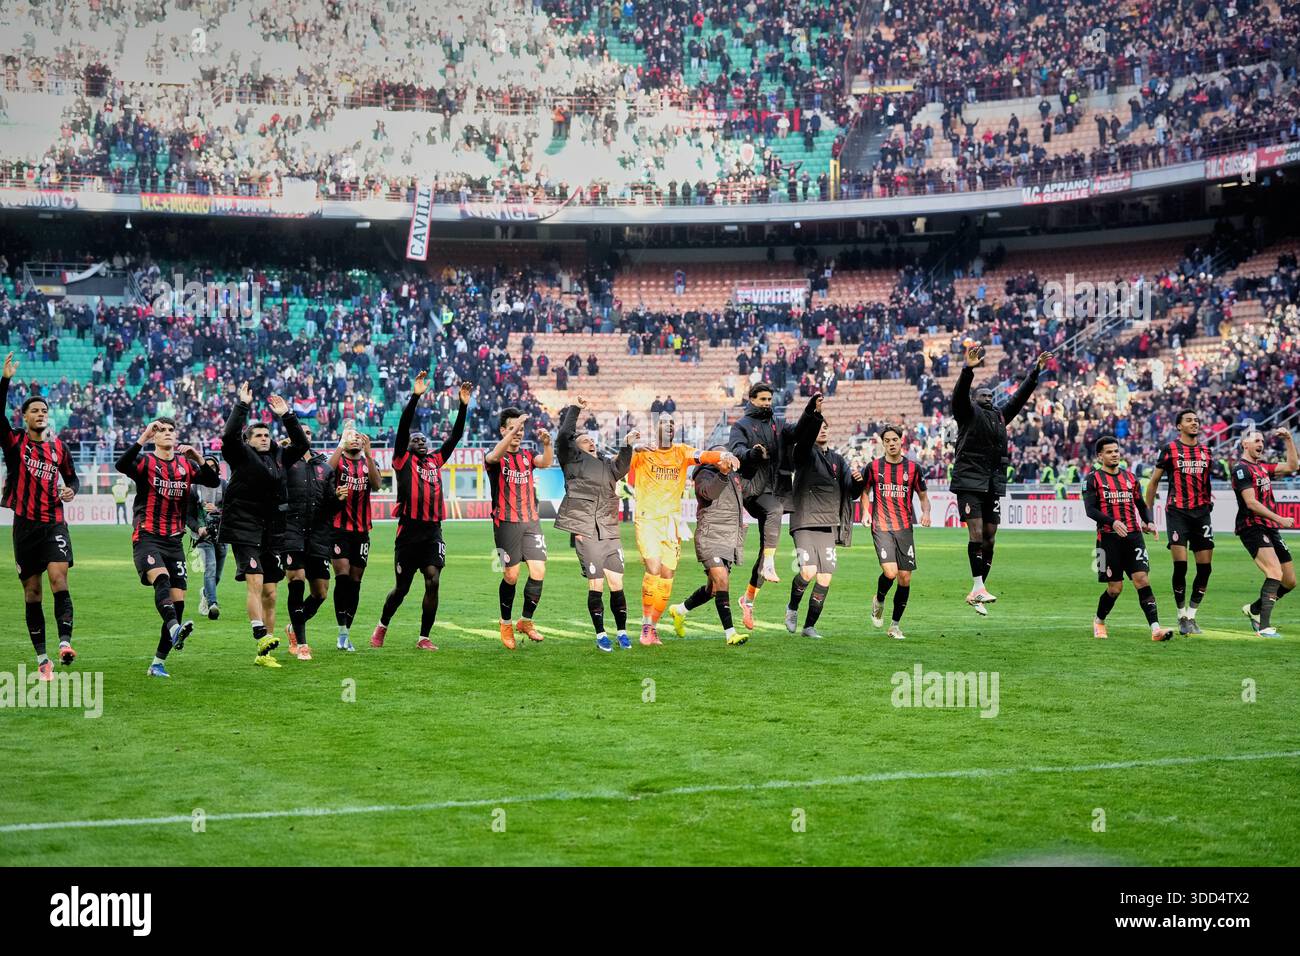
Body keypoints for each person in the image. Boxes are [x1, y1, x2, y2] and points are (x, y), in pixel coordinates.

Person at [370, 374, 471, 651]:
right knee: (401, 589)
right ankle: (382, 625)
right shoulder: (401, 460)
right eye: (416, 440)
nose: (422, 441)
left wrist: (462, 406)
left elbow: (455, 436)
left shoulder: (435, 461)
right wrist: (415, 396)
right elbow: (403, 427)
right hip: (408, 532)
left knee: (433, 580)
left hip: (432, 531)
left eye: (424, 439)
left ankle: (423, 636)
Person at [116, 418, 221, 678]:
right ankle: (175, 629)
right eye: (160, 430)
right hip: (147, 535)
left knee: (179, 602)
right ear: (154, 436)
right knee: (160, 578)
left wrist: (197, 455)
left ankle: (157, 663)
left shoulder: (185, 464)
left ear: (176, 436)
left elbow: (213, 480)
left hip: (174, 540)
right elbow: (122, 464)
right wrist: (143, 435)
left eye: (170, 430)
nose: (166, 434)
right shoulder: (146, 463)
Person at [950, 345, 1051, 615]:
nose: (988, 397)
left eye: (990, 394)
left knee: (991, 537)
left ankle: (978, 590)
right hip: (969, 480)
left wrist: (1034, 373)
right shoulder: (967, 413)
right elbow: (959, 396)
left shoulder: (999, 417)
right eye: (982, 394)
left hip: (993, 482)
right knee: (976, 532)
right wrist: (968, 370)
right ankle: (977, 586)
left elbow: (1018, 398)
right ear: (974, 398)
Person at [221, 381, 310, 668]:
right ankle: (259, 631)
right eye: (257, 435)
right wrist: (242, 405)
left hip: (273, 532)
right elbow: (228, 436)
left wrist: (287, 415)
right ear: (248, 440)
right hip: (245, 528)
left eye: (266, 434)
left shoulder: (280, 456)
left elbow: (302, 444)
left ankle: (265, 651)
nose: (263, 438)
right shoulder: (240, 455)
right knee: (255, 582)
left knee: (271, 593)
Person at [1, 353, 78, 680]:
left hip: (53, 523)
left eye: (45, 410)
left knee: (58, 579)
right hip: (25, 526)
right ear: (25, 417)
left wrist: (71, 489)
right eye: (35, 410)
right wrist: (4, 380)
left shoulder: (59, 448)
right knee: (32, 592)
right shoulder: (15, 442)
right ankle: (43, 659)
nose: (41, 414)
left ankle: (64, 644)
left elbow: (73, 478)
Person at [632, 413, 738, 645]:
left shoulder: (681, 452)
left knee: (668, 575)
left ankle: (654, 627)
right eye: (664, 423)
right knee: (653, 568)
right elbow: (620, 466)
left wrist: (724, 455)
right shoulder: (643, 452)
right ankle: (646, 623)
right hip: (648, 518)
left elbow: (704, 456)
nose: (669, 427)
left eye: (672, 424)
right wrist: (631, 446)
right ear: (655, 427)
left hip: (671, 523)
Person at [555, 397, 636, 651]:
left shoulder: (605, 464)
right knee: (596, 583)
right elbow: (563, 436)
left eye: (591, 438)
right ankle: (601, 634)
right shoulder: (571, 460)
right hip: (586, 530)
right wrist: (575, 408)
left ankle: (622, 631)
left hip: (609, 530)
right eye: (584, 439)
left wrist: (626, 446)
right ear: (575, 447)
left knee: (617, 583)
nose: (590, 440)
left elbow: (622, 468)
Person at [784, 394, 866, 639]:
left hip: (828, 524)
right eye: (818, 427)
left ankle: (809, 627)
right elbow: (805, 438)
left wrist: (859, 484)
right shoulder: (804, 452)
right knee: (807, 572)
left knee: (825, 577)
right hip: (804, 521)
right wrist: (815, 415)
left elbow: (849, 492)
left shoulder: (838, 460)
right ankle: (792, 607)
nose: (821, 430)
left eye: (825, 427)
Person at [1085, 436, 1173, 641]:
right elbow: (1090, 510)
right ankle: (1099, 621)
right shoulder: (1092, 479)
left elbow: (1140, 504)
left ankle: (1155, 629)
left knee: (1141, 579)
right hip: (1108, 539)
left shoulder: (1130, 478)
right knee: (1115, 588)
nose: (1114, 454)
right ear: (1100, 456)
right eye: (1109, 452)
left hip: (1134, 537)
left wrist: (1149, 522)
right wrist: (1112, 522)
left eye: (1116, 451)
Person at [729, 383, 797, 629]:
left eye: (770, 398)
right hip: (752, 489)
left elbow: (796, 432)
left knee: (765, 547)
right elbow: (736, 451)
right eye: (763, 399)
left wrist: (813, 413)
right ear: (751, 399)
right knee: (775, 511)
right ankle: (769, 563)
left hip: (774, 488)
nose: (768, 402)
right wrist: (753, 454)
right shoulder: (741, 425)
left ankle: (747, 600)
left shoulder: (778, 424)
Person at [484, 407, 554, 649]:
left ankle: (525, 621)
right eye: (513, 428)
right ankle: (505, 623)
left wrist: (547, 444)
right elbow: (492, 457)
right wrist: (516, 425)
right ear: (503, 430)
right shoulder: (495, 456)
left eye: (521, 429)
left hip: (531, 521)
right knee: (511, 575)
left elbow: (545, 462)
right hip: (505, 522)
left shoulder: (526, 455)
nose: (518, 432)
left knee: (539, 571)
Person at [1144, 409, 1216, 634]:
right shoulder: (1169, 450)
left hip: (1201, 514)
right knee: (1181, 566)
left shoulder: (1206, 451)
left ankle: (1192, 615)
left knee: (1205, 569)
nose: (1194, 423)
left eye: (1196, 420)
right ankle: (1181, 614)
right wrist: (1148, 517)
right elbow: (1153, 483)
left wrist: (1208, 502)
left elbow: (1206, 482)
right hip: (1178, 513)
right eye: (1189, 420)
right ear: (1179, 426)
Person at [667, 446, 748, 646]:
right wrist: (722, 472)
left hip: (729, 538)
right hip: (709, 536)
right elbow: (709, 494)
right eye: (721, 455)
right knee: (722, 580)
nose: (726, 457)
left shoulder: (734, 476)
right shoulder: (703, 474)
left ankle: (679, 611)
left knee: (713, 589)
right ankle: (731, 634)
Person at [864, 424, 931, 640]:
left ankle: (894, 626)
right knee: (891, 573)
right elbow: (864, 492)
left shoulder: (913, 469)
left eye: (894, 440)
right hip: (881, 526)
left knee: (905, 578)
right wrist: (865, 512)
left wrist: (926, 513)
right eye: (887, 441)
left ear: (901, 441)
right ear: (883, 444)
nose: (891, 443)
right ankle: (879, 600)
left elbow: (922, 496)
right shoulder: (873, 467)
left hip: (904, 528)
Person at [1232, 428, 1298, 638]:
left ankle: (1254, 610)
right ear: (1245, 444)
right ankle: (1264, 627)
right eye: (1256, 440)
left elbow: (1293, 466)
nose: (1261, 444)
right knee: (1274, 572)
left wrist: (1288, 439)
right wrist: (1279, 518)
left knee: (1289, 581)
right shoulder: (1241, 468)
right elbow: (1251, 503)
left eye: (1262, 441)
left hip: (1270, 527)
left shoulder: (1262, 467)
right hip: (1252, 527)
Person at [279, 423, 333, 660]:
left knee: (320, 593)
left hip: (319, 536)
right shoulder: (284, 462)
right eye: (299, 432)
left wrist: (338, 498)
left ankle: (293, 626)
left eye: (308, 432)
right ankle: (302, 644)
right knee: (296, 580)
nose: (304, 436)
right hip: (291, 532)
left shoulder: (325, 467)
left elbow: (331, 505)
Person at [328, 425, 383, 652]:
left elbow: (378, 485)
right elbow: (326, 473)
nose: (355, 441)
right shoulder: (338, 461)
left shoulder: (368, 463)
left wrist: (369, 454)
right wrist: (341, 444)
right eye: (351, 437)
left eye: (358, 438)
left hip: (362, 531)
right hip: (338, 529)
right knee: (342, 576)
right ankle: (341, 630)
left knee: (355, 582)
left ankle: (346, 633)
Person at [193, 475, 226, 620]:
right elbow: (189, 514)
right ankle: (212, 604)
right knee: (210, 568)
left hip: (222, 535)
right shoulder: (194, 488)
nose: (210, 470)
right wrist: (198, 527)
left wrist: (217, 509)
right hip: (203, 536)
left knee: (217, 575)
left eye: (213, 467)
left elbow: (232, 506)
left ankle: (205, 593)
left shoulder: (224, 485)